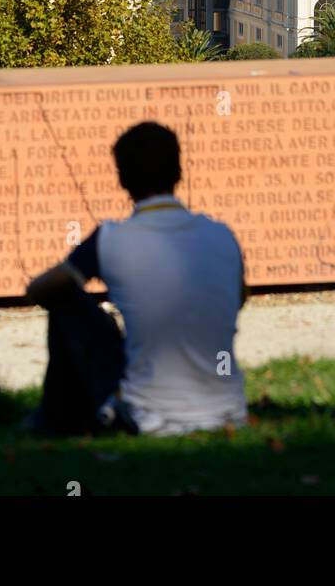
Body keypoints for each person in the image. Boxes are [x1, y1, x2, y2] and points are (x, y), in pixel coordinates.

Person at [25, 120, 247, 437]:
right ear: (179, 172)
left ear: (122, 179)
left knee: (66, 298)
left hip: (146, 414)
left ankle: (56, 419)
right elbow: (236, 300)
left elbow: (39, 290)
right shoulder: (224, 237)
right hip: (228, 411)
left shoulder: (109, 239)